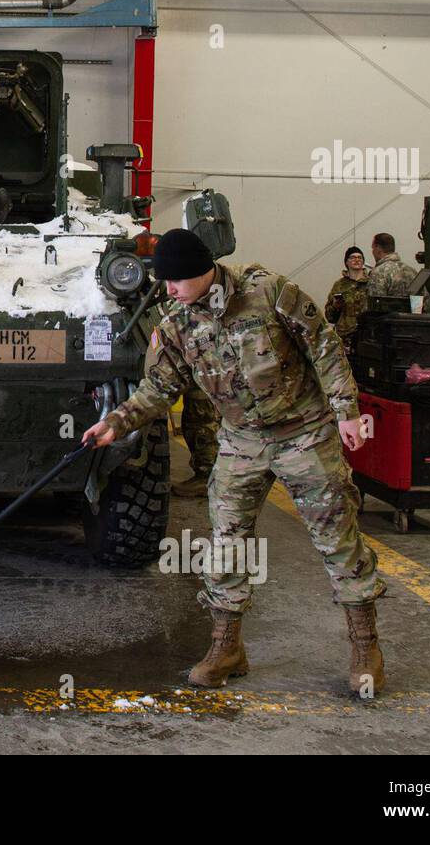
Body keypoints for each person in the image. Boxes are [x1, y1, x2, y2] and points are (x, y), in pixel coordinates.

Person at [81, 229, 387, 696]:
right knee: (225, 544)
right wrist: (118, 423)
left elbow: (324, 346)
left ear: (199, 272)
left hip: (303, 433)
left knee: (337, 539)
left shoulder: (268, 292)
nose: (167, 291)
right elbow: (161, 387)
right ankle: (226, 646)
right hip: (241, 440)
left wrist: (347, 411)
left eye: (174, 281)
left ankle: (365, 648)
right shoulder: (177, 319)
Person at [173, 385, 218, 498]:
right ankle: (208, 475)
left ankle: (206, 477)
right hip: (204, 379)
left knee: (201, 423)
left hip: (202, 380)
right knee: (200, 420)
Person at [367, 232, 430, 310]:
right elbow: (427, 305)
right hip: (413, 320)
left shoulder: (379, 273)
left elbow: (373, 307)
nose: (372, 251)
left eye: (373, 248)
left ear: (378, 248)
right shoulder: (412, 271)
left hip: (388, 320)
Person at [324, 245, 370, 350]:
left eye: (360, 257)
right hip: (345, 338)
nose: (357, 260)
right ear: (346, 262)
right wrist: (335, 307)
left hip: (366, 336)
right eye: (352, 257)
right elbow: (329, 317)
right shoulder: (339, 285)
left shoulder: (371, 283)